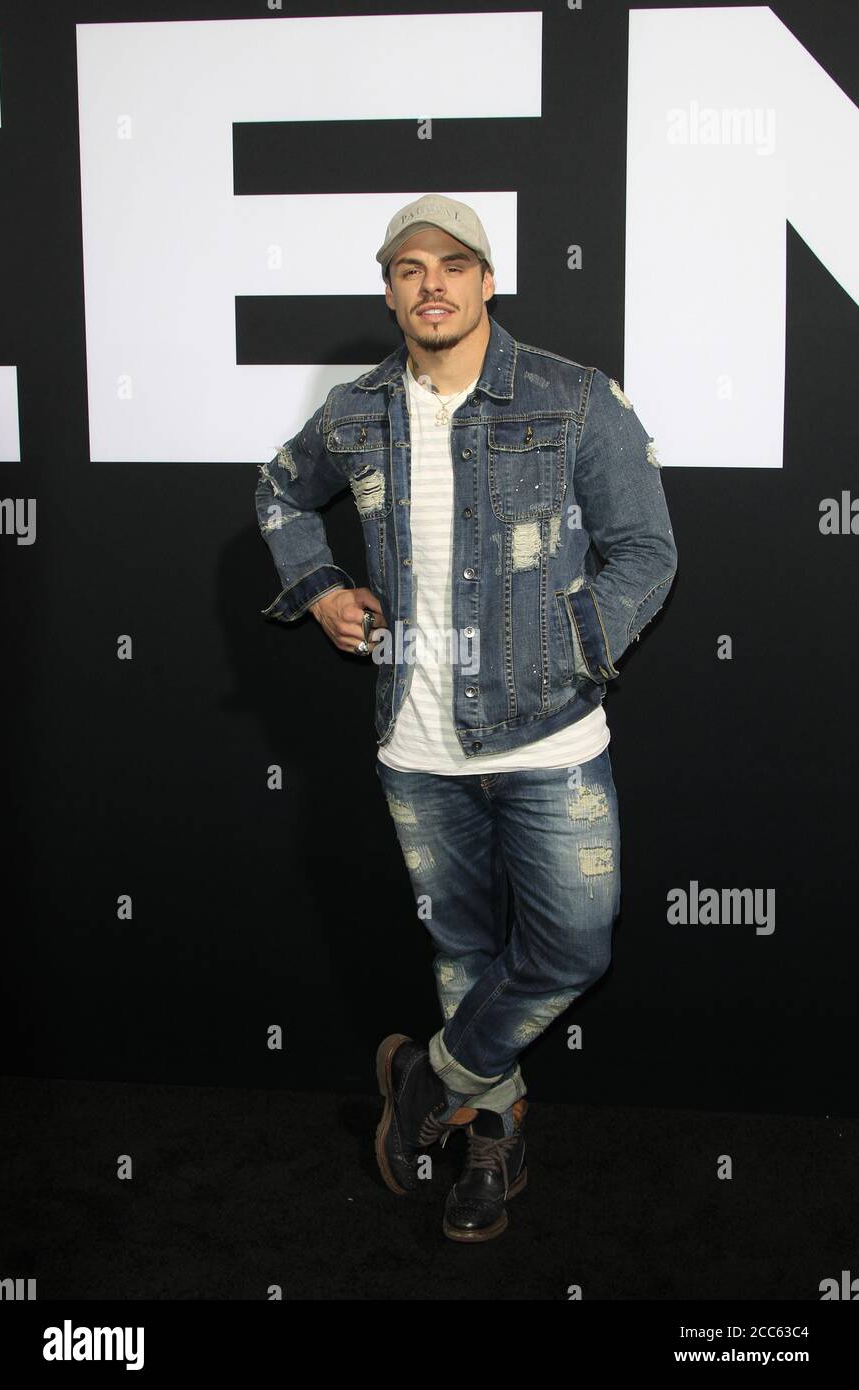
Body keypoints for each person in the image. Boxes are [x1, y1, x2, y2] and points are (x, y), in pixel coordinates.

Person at [255, 194, 678, 1243]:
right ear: (390, 288)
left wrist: (571, 649)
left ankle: (427, 1084)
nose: (430, 283)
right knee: (460, 950)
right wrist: (316, 587)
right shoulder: (356, 413)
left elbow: (646, 551)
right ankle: (494, 1132)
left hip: (553, 739)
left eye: (452, 264)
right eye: (407, 267)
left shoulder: (572, 399)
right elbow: (276, 491)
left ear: (487, 282)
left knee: (573, 945)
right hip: (415, 741)